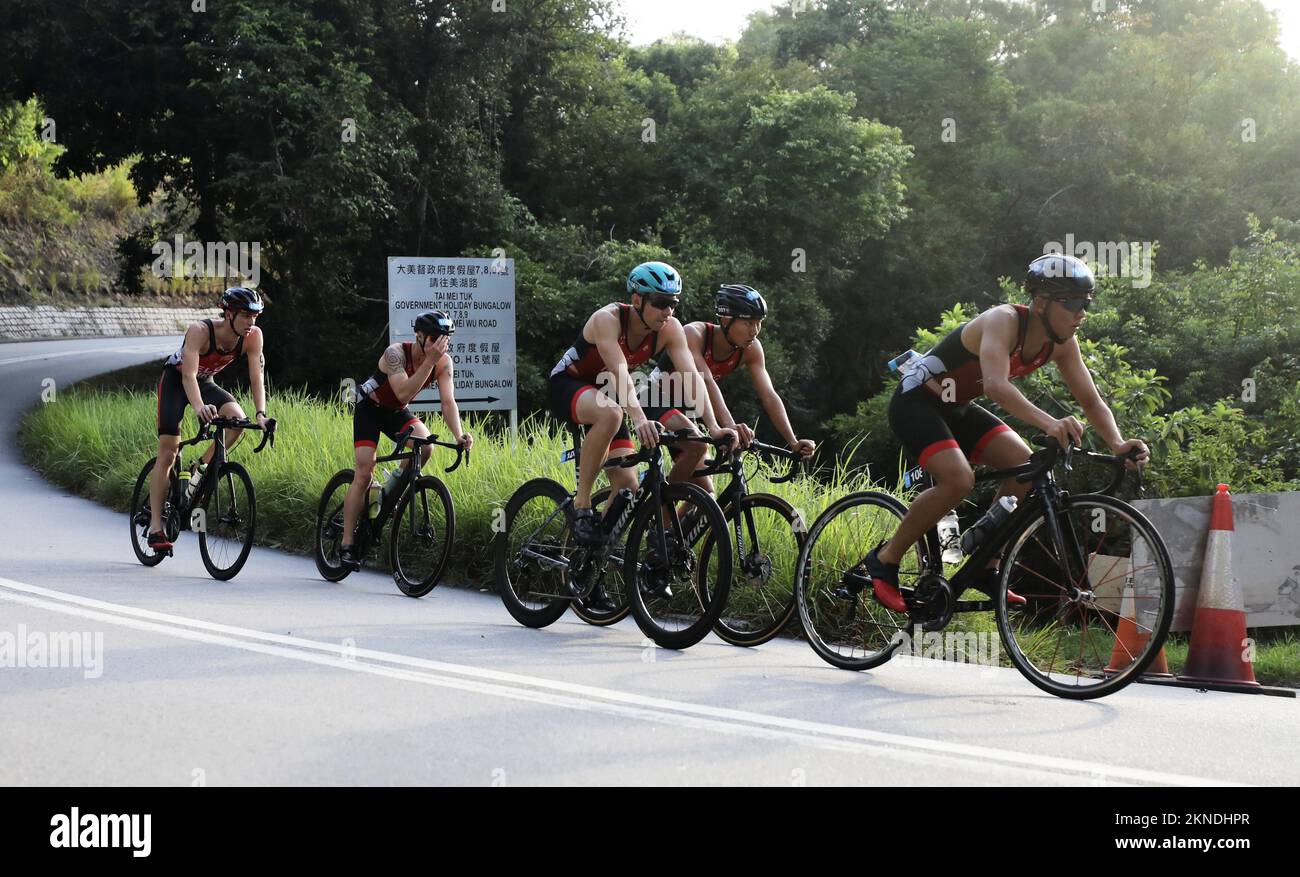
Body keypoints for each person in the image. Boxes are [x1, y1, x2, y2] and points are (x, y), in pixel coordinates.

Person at [867, 254, 1149, 610]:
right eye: (1073, 303)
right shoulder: (1004, 320)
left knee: (1026, 467)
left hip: (956, 406)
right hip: (917, 401)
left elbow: (1092, 401)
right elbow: (996, 387)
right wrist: (1050, 423)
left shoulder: (1062, 342)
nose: (1081, 314)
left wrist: (1118, 443)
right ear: (1042, 302)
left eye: (1086, 304)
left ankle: (987, 563)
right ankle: (886, 559)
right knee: (958, 480)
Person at [547, 261, 736, 548]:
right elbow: (621, 371)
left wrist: (713, 426)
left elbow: (692, 377)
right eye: (660, 303)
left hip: (607, 395)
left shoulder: (670, 329)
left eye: (673, 303)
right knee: (611, 414)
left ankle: (592, 565)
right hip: (568, 384)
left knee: (628, 488)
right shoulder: (607, 319)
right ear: (637, 299)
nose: (668, 311)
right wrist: (638, 418)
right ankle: (582, 506)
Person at [645, 284, 815, 494]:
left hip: (690, 409)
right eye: (748, 323)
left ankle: (667, 521)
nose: (755, 330)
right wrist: (729, 425)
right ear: (726, 319)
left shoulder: (751, 350)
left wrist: (792, 441)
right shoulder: (694, 334)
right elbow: (706, 380)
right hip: (654, 398)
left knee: (704, 498)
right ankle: (657, 518)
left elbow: (769, 396)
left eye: (759, 323)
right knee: (697, 448)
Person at [339, 311, 473, 570]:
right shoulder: (395, 353)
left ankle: (386, 494)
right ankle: (347, 543)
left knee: (425, 448)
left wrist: (459, 435)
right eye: (434, 338)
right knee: (365, 472)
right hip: (370, 408)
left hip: (396, 412)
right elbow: (403, 390)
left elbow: (448, 402)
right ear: (419, 336)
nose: (439, 344)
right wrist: (429, 362)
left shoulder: (443, 362)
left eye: (444, 339)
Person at [147, 286, 269, 553]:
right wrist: (200, 407)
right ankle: (156, 527)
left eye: (255, 317)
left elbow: (256, 377)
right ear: (228, 314)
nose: (251, 323)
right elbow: (188, 376)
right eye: (246, 316)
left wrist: (261, 414)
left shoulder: (253, 336)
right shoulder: (199, 331)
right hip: (177, 382)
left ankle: (198, 468)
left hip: (205, 382)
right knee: (168, 452)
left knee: (238, 421)